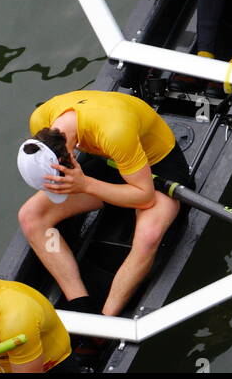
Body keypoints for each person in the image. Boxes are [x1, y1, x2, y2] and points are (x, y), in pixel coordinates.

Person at [16, 90, 192, 319]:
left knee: (148, 237)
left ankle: (107, 320)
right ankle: (80, 302)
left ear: (65, 157)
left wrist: (86, 184)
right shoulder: (40, 119)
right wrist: (83, 183)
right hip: (109, 162)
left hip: (156, 170)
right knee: (31, 216)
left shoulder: (113, 130)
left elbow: (145, 197)